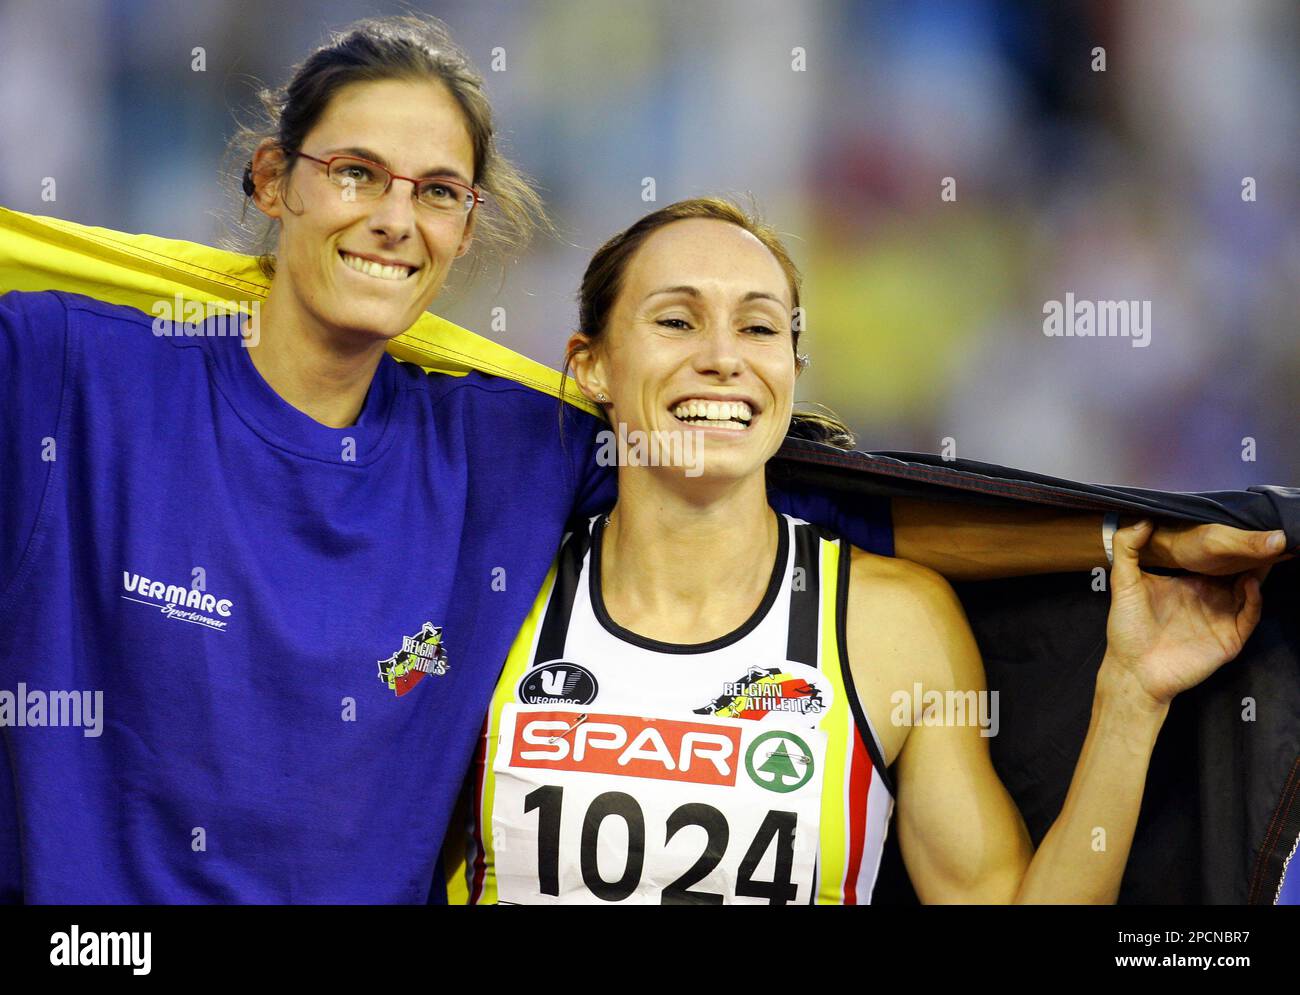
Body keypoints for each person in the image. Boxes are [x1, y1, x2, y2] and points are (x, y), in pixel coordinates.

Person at [0, 14, 1283, 904]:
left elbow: (866, 505)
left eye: (439, 190)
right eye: (354, 172)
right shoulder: (500, 548)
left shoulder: (859, 610)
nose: (396, 216)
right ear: (589, 371)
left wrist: (1138, 565)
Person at [455, 198, 1266, 904]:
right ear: (590, 364)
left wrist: (1133, 695)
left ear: (792, 371)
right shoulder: (496, 595)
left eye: (760, 326)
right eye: (676, 319)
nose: (723, 356)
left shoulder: (894, 624)